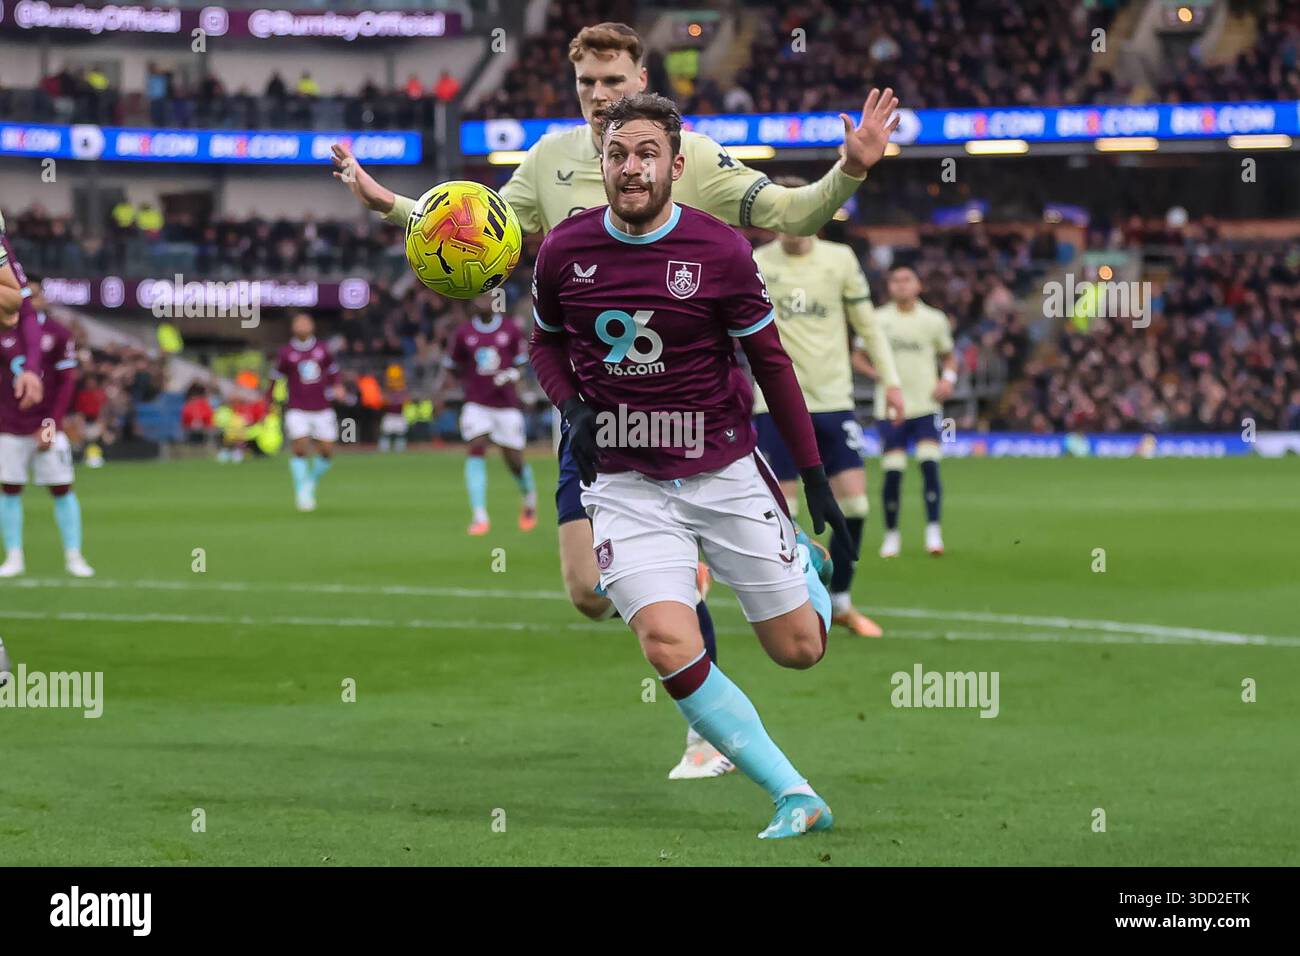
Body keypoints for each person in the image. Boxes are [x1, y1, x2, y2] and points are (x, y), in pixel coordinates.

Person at [331, 21, 899, 779]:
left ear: (643, 77)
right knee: (587, 595)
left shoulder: (689, 155)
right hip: (597, 418)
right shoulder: (548, 160)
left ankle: (708, 728)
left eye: (614, 81)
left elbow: (791, 215)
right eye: (587, 85)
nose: (601, 97)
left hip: (697, 418)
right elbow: (477, 233)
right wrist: (394, 207)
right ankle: (692, 586)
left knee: (735, 620)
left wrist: (849, 172)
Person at [530, 94, 852, 838]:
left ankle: (803, 563)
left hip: (724, 471)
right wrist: (570, 404)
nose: (630, 168)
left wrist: (812, 478)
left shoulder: (720, 251)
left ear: (676, 165)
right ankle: (795, 794)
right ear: (601, 163)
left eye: (646, 155)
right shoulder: (564, 250)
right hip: (621, 482)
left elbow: (771, 365)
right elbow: (545, 342)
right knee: (668, 642)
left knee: (799, 650)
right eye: (617, 154)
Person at [752, 175, 905, 636]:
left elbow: (868, 327)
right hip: (774, 405)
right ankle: (796, 606)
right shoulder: (756, 263)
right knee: (784, 514)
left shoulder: (840, 260)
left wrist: (892, 382)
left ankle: (839, 601)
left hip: (833, 402)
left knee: (855, 505)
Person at [0, 279, 93, 578]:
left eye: (35, 294)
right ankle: (14, 556)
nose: (29, 298)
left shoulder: (57, 333)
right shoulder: (2, 329)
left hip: (47, 425)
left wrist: (51, 424)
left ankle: (74, 555)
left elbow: (66, 384)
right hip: (9, 426)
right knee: (10, 489)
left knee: (62, 488)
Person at [866, 266, 957, 557]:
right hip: (891, 407)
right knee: (893, 472)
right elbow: (857, 354)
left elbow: (950, 356)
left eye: (907, 279)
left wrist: (947, 379)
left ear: (918, 284)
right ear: (889, 286)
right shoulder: (877, 319)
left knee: (930, 466)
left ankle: (934, 532)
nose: (901, 285)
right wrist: (876, 373)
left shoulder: (933, 319)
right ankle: (892, 535)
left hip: (926, 404)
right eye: (895, 280)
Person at [433, 299, 535, 534]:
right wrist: (439, 393)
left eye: (487, 296)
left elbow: (520, 364)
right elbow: (451, 366)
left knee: (514, 461)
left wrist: (513, 376)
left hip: (506, 404)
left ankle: (529, 499)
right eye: (478, 298)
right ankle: (479, 516)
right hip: (476, 403)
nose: (484, 302)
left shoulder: (510, 328)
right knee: (476, 447)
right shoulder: (463, 332)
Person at [268, 312, 342, 512]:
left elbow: (334, 371)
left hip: (322, 408)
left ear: (312, 326)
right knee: (300, 447)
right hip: (297, 408)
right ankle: (302, 491)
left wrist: (338, 386)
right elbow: (276, 376)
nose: (302, 325)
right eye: (298, 323)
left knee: (326, 450)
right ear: (293, 328)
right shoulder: (286, 352)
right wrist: (269, 399)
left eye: (305, 322)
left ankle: (310, 481)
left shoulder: (323, 349)